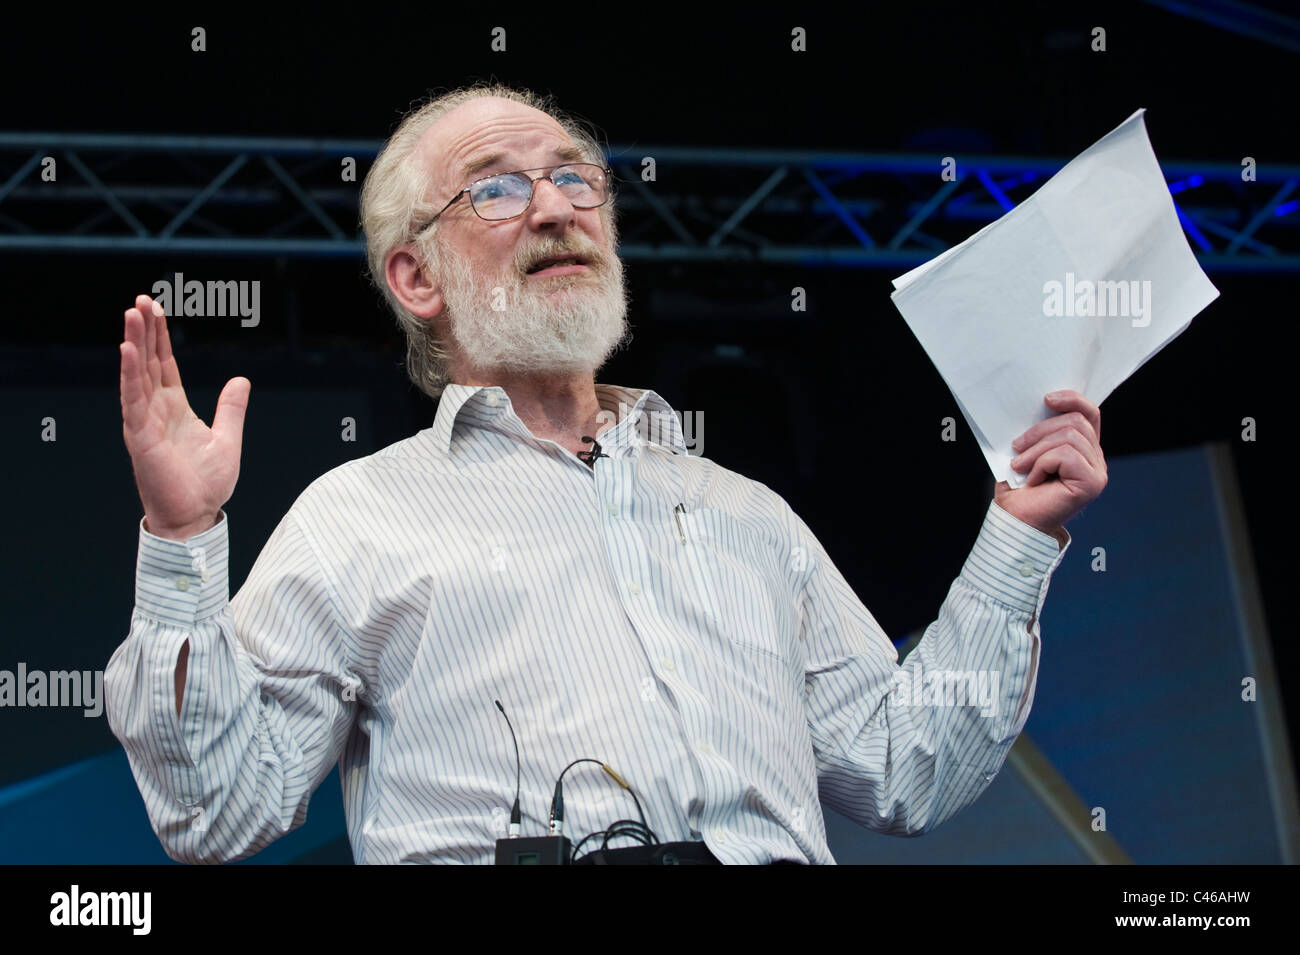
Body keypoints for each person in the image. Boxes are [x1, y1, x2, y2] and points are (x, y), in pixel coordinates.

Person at [106, 83, 1107, 865]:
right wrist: (183, 539)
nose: (554, 207)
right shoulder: (358, 517)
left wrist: (1017, 531)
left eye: (577, 178)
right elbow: (219, 811)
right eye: (495, 187)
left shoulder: (744, 514)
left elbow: (906, 767)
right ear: (416, 279)